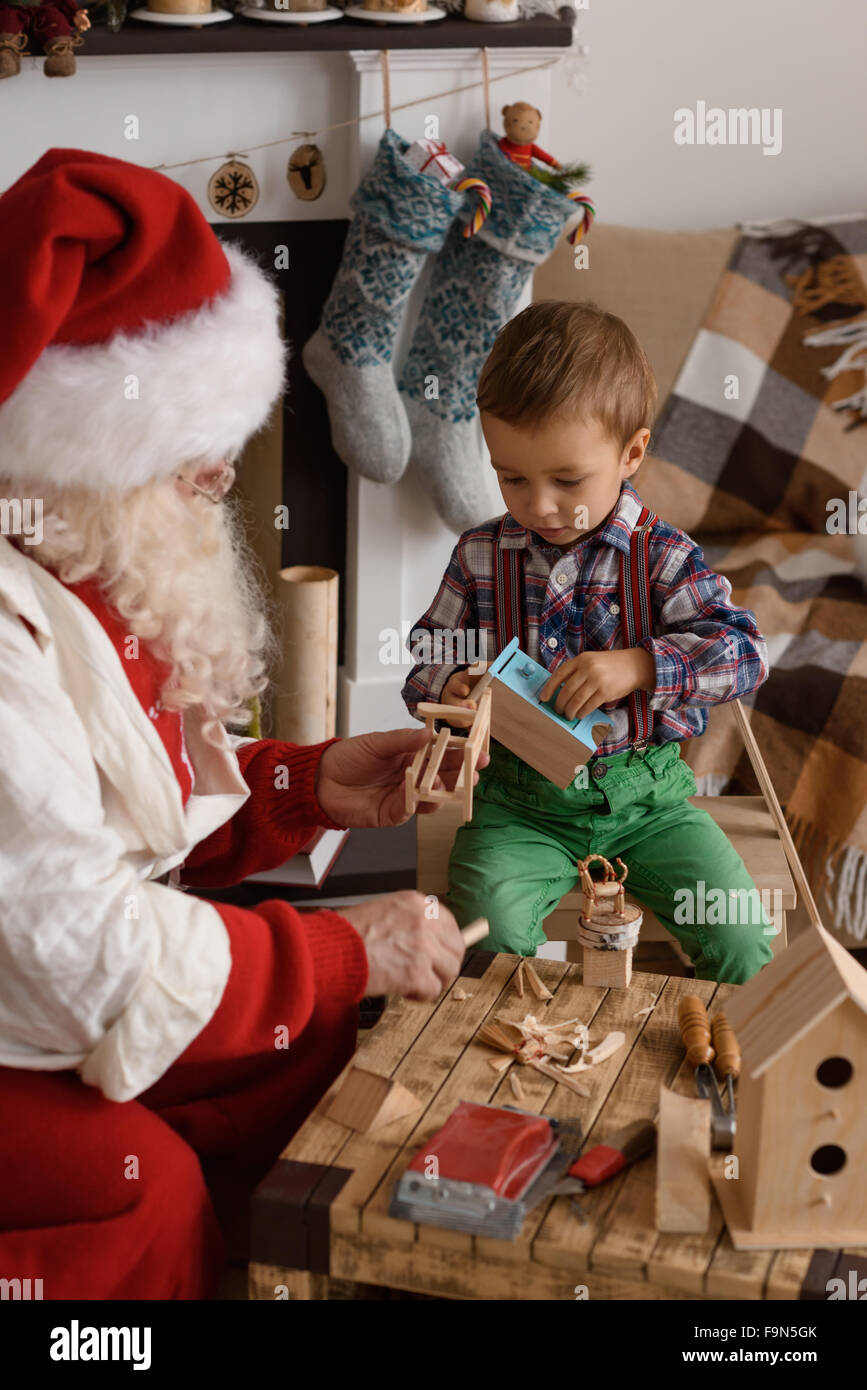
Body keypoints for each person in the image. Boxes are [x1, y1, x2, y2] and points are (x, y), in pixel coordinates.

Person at [0, 147, 475, 1300]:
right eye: (187, 463)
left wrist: (306, 787)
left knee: (302, 1049)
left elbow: (117, 823)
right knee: (134, 1180)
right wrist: (344, 947)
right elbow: (77, 950)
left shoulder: (64, 567)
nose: (221, 481)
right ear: (80, 460)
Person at [403, 300, 773, 984]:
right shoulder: (481, 553)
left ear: (630, 452)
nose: (538, 505)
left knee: (741, 937)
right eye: (511, 477)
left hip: (651, 804)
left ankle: (729, 1069)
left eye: (566, 481)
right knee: (485, 931)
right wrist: (448, 689)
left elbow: (745, 656)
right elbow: (428, 656)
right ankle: (506, 1061)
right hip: (519, 806)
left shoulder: (662, 556)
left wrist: (640, 665)